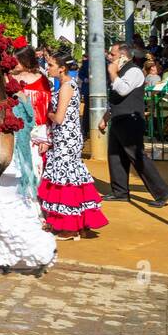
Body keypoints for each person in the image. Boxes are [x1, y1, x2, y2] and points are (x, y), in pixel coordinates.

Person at [0, 46, 57, 274]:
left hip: (13, 158)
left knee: (5, 209)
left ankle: (40, 251)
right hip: (1, 157)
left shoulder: (14, 96)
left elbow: (29, 121)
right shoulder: (2, 93)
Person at [39, 47, 108, 240]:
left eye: (51, 65)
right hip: (67, 138)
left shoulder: (67, 87)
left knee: (66, 181)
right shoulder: (69, 84)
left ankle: (69, 227)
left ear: (62, 68)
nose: (48, 67)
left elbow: (59, 118)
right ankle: (78, 224)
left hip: (65, 139)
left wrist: (47, 113)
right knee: (72, 179)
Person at [99, 42, 168, 206]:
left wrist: (113, 74)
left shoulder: (133, 71)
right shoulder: (120, 72)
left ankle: (162, 192)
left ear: (123, 56)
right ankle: (120, 191)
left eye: (112, 54)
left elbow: (123, 90)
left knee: (137, 156)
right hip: (119, 119)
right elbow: (115, 99)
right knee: (115, 156)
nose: (109, 57)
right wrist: (106, 118)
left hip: (130, 120)